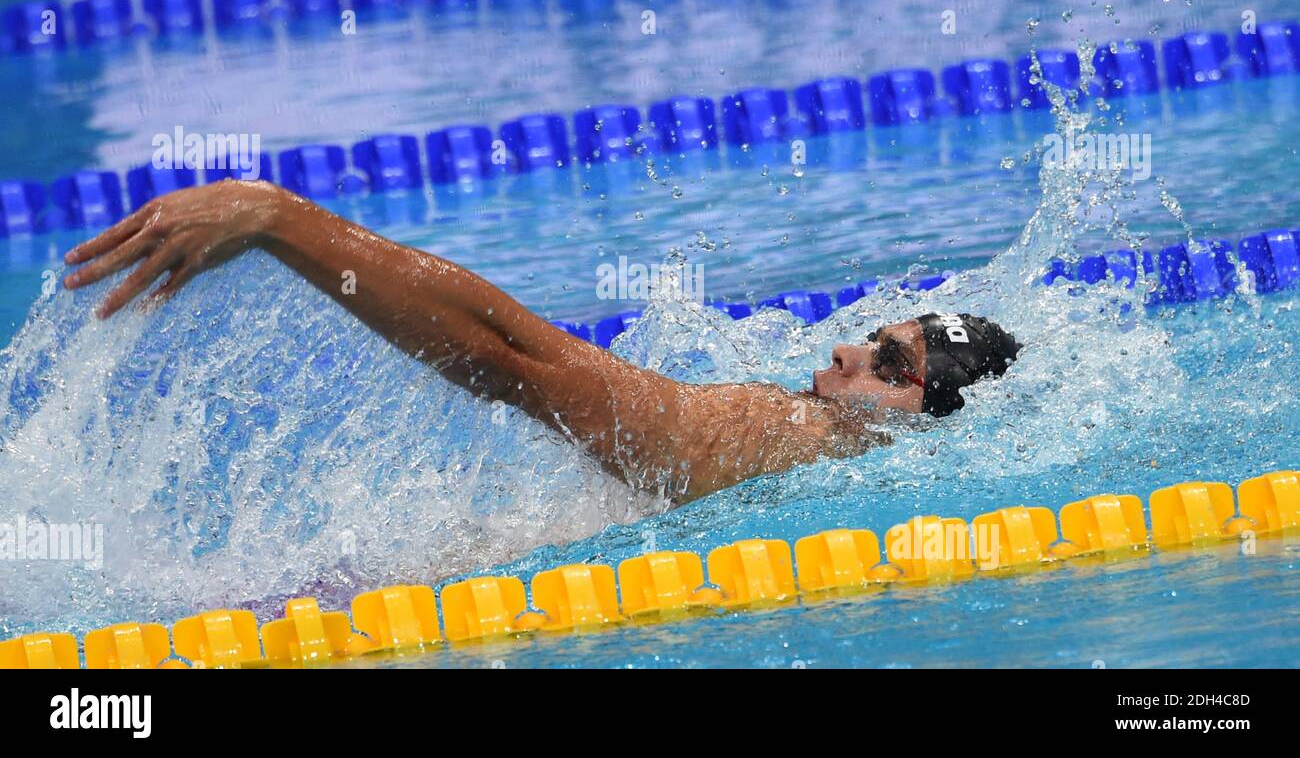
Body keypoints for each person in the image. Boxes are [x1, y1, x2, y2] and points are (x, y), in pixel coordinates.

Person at [63, 179, 1021, 502]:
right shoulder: (803, 439)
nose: (847, 356)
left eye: (891, 368)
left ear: (934, 422)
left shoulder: (782, 440)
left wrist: (277, 217)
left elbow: (513, 362)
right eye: (871, 340)